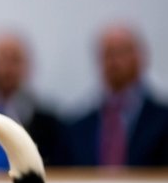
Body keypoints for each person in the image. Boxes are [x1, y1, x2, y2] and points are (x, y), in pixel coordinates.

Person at [63, 23, 168, 168]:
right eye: (107, 54)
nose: (114, 61)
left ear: (140, 57)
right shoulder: (77, 129)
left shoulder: (162, 120)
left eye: (121, 52)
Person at [0, 31, 67, 166]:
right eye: (2, 60)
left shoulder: (49, 124)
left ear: (27, 66)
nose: (8, 68)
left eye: (15, 60)